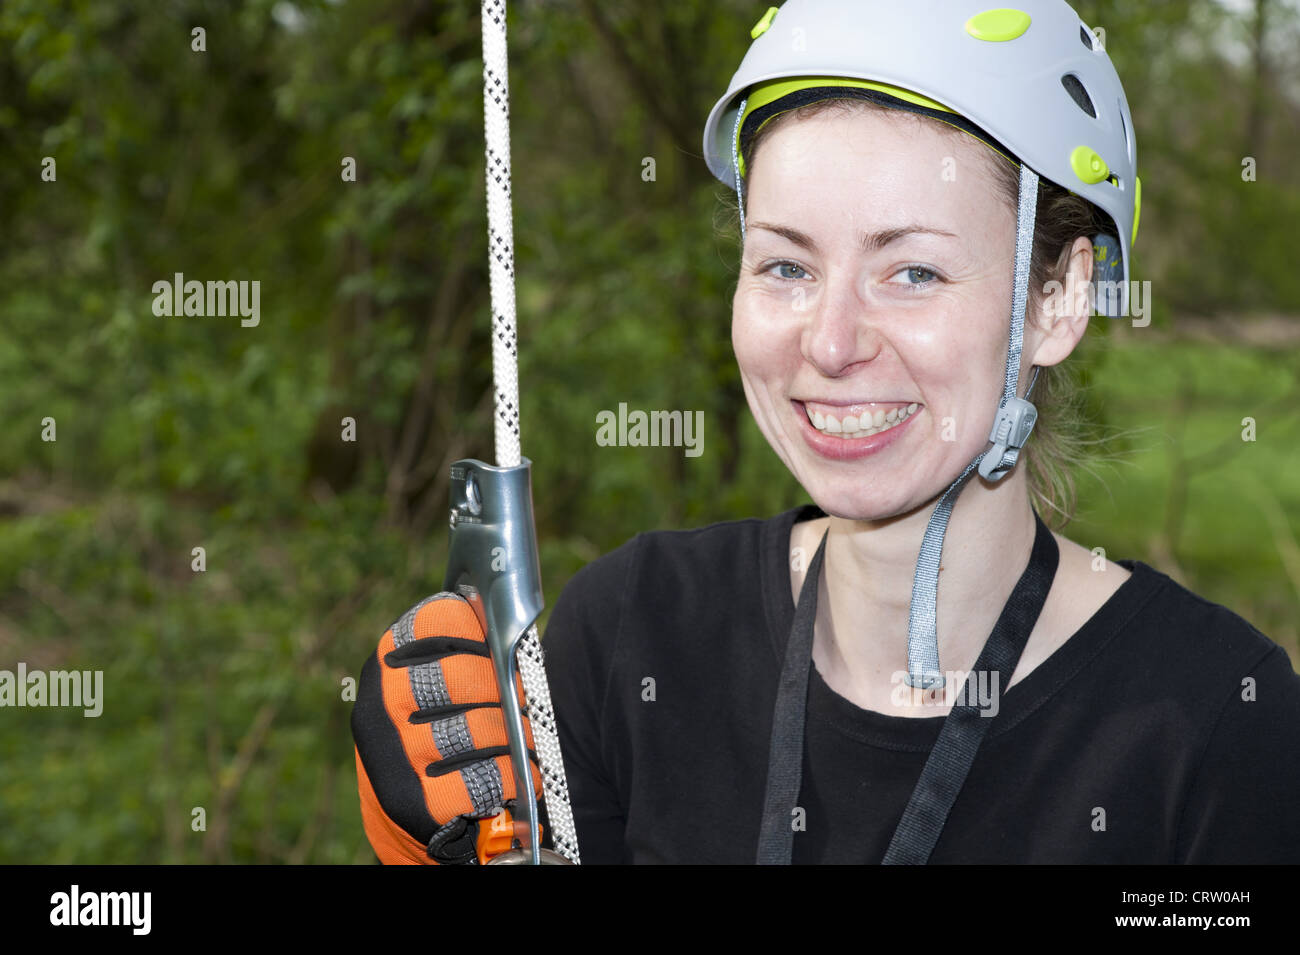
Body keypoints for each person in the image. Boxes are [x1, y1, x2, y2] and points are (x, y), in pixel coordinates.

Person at [351, 0, 1300, 864]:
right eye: (785, 267)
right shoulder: (635, 634)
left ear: (1058, 300)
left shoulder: (1217, 726)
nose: (833, 342)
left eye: (914, 271)